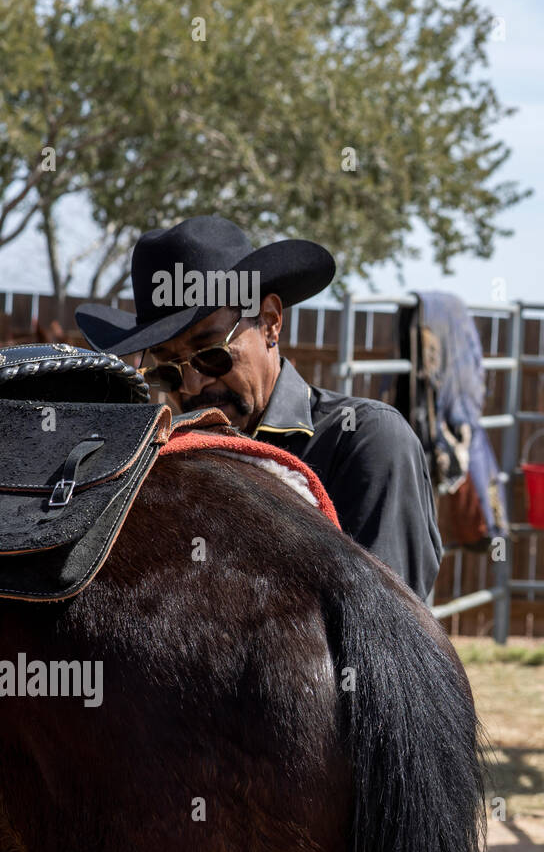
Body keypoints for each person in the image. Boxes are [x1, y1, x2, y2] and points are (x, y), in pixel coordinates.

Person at [76, 215, 443, 602]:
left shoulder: (363, 441)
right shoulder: (162, 460)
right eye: (168, 371)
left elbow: (384, 632)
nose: (193, 386)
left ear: (269, 322)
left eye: (212, 356)